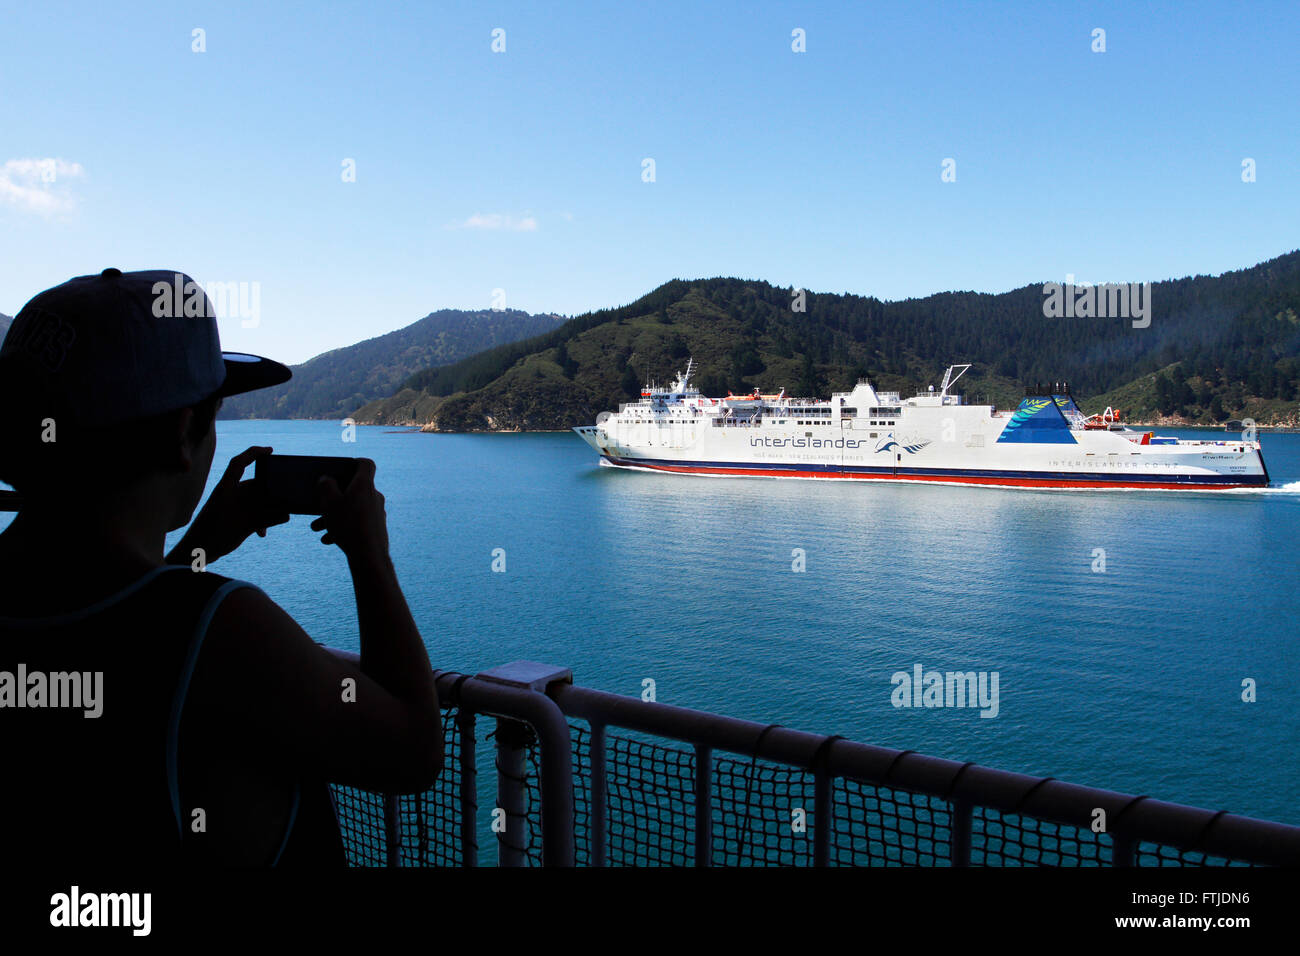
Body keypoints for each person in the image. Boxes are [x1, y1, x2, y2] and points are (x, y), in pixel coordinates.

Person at [0, 268, 442, 867]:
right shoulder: (223, 628)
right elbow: (412, 752)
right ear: (186, 433)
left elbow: (118, 619)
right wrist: (370, 557)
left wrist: (195, 550)